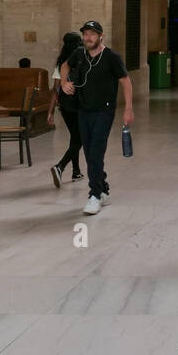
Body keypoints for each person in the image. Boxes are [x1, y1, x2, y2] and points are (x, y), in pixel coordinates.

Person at [60, 20, 133, 216]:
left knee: (96, 152)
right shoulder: (79, 54)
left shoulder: (111, 57)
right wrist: (64, 83)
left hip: (104, 110)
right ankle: (103, 189)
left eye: (92, 34)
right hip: (83, 110)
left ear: (101, 36)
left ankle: (94, 195)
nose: (87, 38)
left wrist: (128, 108)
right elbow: (65, 66)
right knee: (89, 153)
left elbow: (125, 81)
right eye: (85, 34)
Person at [47, 31, 84, 188]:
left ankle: (76, 171)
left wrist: (50, 112)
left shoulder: (61, 62)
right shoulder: (80, 60)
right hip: (79, 104)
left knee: (74, 137)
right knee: (80, 139)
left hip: (64, 105)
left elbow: (55, 89)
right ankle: (60, 166)